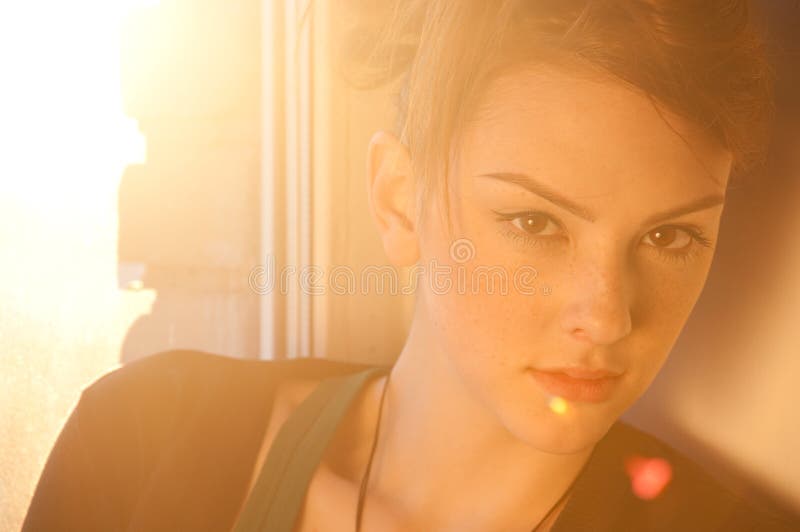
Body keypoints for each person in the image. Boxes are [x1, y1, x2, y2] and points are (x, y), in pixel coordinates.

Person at [23, 1, 798, 530]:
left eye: (670, 238)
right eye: (534, 222)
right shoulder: (142, 441)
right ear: (399, 203)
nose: (606, 315)